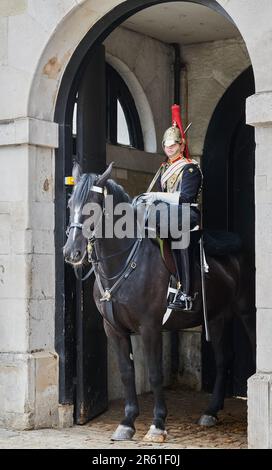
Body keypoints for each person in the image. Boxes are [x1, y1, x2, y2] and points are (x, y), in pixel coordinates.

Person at [140, 104, 203, 311]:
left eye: (173, 144)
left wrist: (158, 195)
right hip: (168, 213)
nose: (169, 148)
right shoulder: (164, 168)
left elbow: (185, 198)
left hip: (188, 213)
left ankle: (186, 293)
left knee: (177, 233)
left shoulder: (190, 168)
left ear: (181, 144)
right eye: (166, 144)